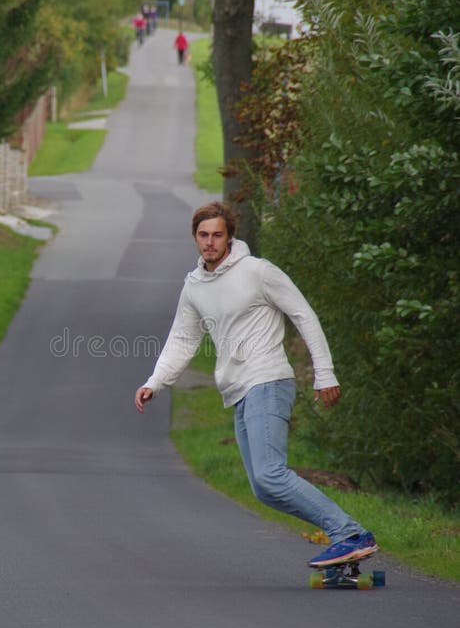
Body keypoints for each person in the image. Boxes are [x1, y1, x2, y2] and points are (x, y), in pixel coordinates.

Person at [134, 201, 378, 568]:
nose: (210, 242)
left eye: (218, 234)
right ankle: (346, 542)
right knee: (263, 488)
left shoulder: (258, 272)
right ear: (195, 238)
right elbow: (183, 340)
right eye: (203, 235)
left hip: (267, 379)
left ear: (230, 236)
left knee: (270, 473)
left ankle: (349, 533)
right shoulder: (195, 286)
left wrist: (324, 373)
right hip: (238, 391)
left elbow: (303, 315)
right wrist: (155, 382)